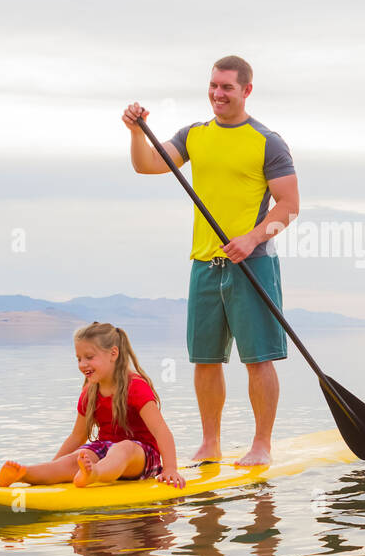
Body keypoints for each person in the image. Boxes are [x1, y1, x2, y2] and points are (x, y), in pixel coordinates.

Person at [122, 55, 299, 467]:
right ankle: (210, 443)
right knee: (205, 360)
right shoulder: (193, 136)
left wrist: (253, 237)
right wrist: (134, 132)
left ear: (246, 91)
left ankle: (261, 445)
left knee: (258, 360)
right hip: (204, 263)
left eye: (228, 88)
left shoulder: (267, 141)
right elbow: (147, 165)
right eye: (214, 86)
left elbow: (289, 207)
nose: (218, 94)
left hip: (253, 264)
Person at [0, 322, 186, 488]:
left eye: (89, 357)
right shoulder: (90, 392)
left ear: (113, 353)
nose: (82, 364)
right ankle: (25, 474)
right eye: (79, 358)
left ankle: (94, 474)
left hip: (141, 455)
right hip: (105, 450)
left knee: (123, 448)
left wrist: (170, 469)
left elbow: (161, 431)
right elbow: (77, 436)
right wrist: (54, 465)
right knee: (77, 457)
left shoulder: (135, 387)